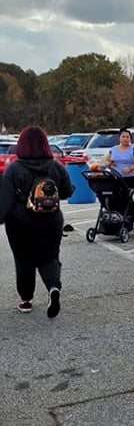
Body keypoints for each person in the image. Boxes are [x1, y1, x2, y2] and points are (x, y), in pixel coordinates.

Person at [0, 125, 74, 316]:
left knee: (23, 260)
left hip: (20, 223)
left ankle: (26, 301)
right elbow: (66, 192)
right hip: (51, 221)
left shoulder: (14, 169)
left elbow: (5, 202)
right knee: (49, 257)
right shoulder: (55, 166)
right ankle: (53, 288)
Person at [103, 127, 134, 223]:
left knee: (125, 197)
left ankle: (132, 217)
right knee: (113, 197)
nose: (125, 139)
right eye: (123, 137)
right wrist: (109, 163)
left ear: (130, 139)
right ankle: (115, 216)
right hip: (116, 177)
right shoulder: (113, 149)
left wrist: (130, 168)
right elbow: (106, 161)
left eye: (127, 137)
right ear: (119, 138)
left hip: (129, 178)